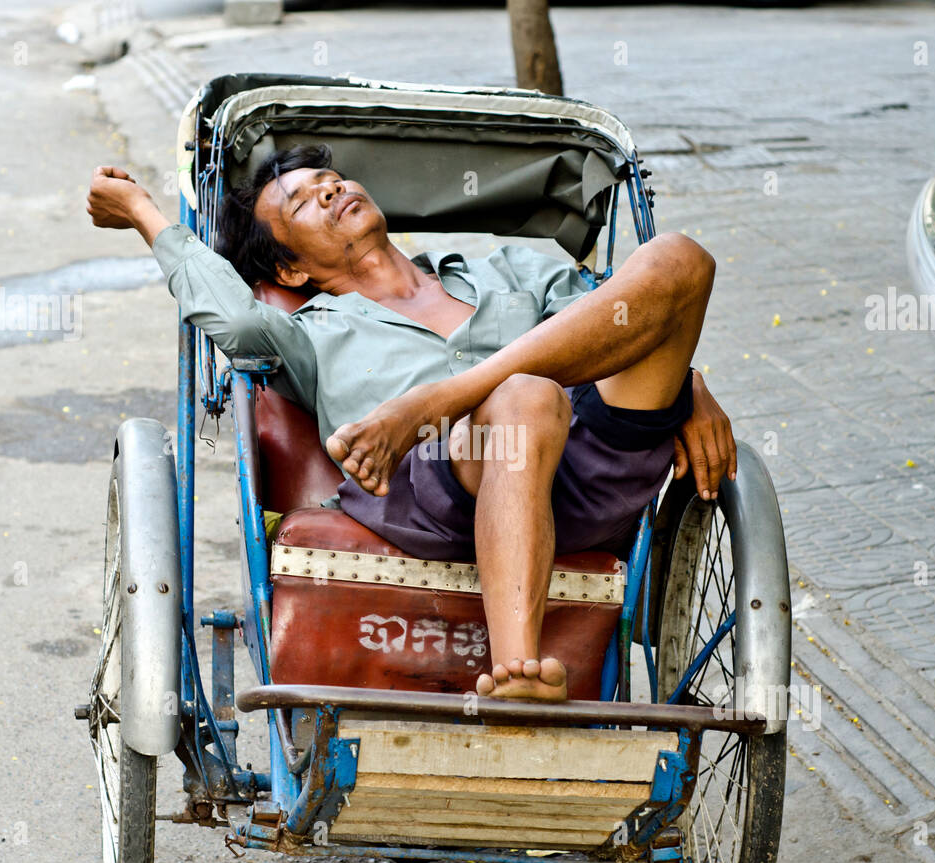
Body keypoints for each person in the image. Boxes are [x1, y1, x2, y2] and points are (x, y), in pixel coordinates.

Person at [86, 144, 736, 702]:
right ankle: (519, 678)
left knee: (680, 256)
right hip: (439, 488)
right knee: (524, 400)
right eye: (305, 202)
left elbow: (635, 319)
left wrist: (688, 382)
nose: (331, 189)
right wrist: (146, 213)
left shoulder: (511, 270)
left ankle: (450, 394)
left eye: (331, 180)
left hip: (583, 468)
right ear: (291, 270)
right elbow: (231, 318)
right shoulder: (310, 335)